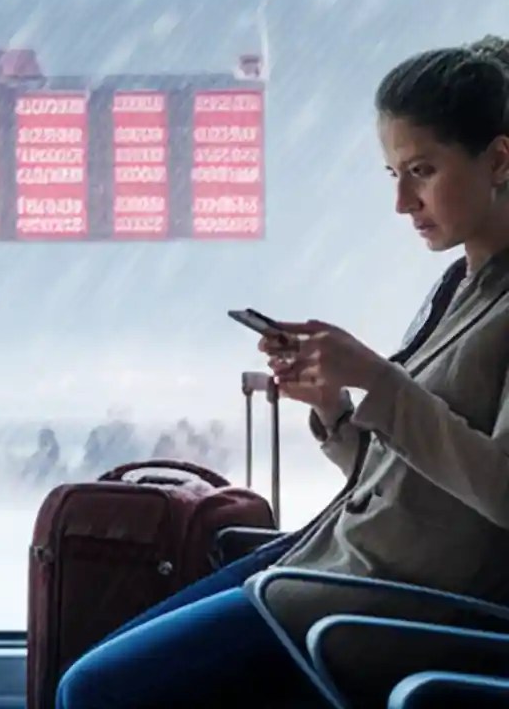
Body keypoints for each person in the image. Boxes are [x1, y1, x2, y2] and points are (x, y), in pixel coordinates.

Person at [58, 35, 509, 708]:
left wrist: (379, 379)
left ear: (498, 159)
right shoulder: (457, 286)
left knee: (93, 689)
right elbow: (398, 483)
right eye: (393, 174)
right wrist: (333, 405)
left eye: (422, 171)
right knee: (88, 666)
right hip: (327, 560)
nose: (402, 202)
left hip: (382, 600)